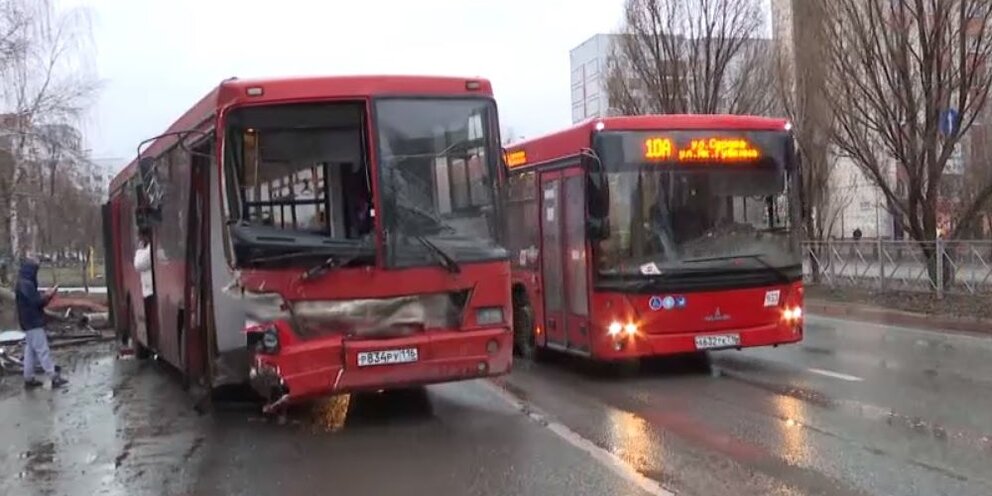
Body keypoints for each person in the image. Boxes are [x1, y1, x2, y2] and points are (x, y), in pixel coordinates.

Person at [16, 257, 67, 389]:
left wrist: (45, 295)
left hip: (27, 322)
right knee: (42, 350)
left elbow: (33, 301)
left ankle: (28, 378)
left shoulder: (23, 283)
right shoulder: (26, 284)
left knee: (30, 351)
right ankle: (53, 376)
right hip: (33, 322)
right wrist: (48, 295)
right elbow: (36, 303)